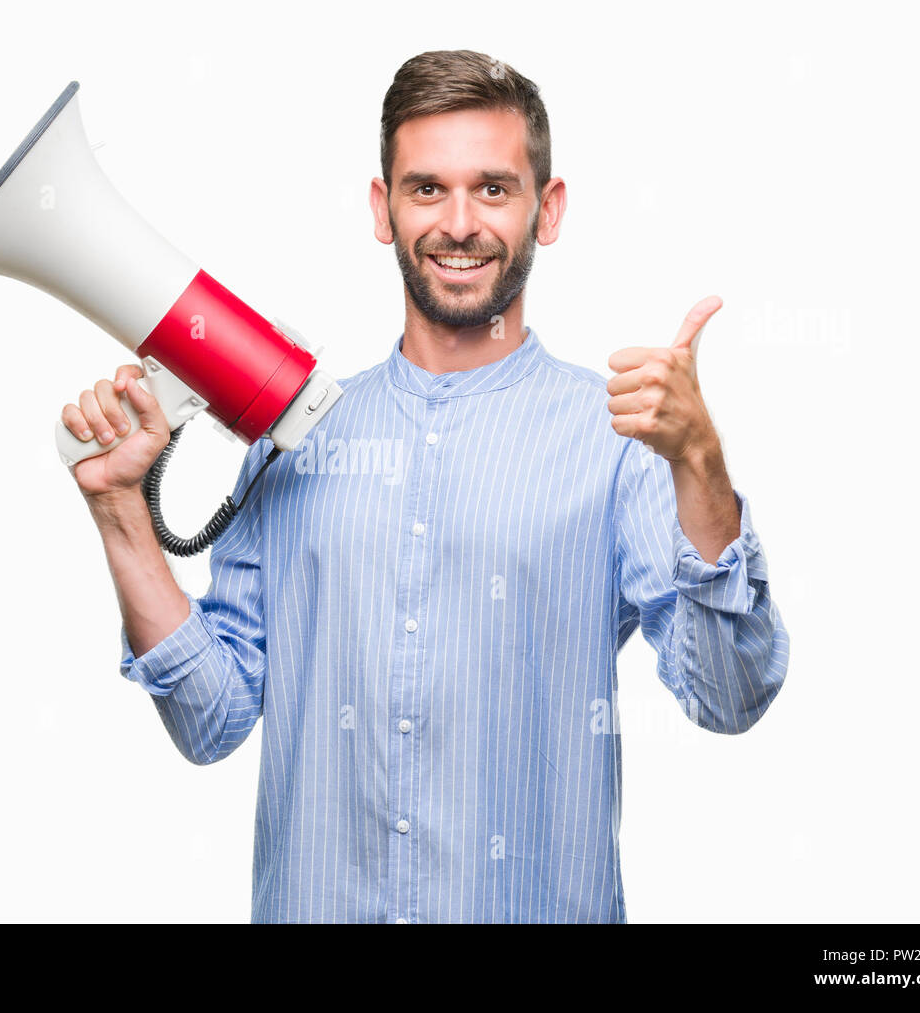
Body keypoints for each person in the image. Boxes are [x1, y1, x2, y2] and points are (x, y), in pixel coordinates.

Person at [59, 49, 789, 923]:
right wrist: (118, 511)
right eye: (426, 189)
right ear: (383, 208)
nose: (459, 222)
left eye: (493, 188)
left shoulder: (621, 445)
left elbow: (730, 697)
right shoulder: (294, 441)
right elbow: (209, 722)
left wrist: (699, 464)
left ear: (545, 210)